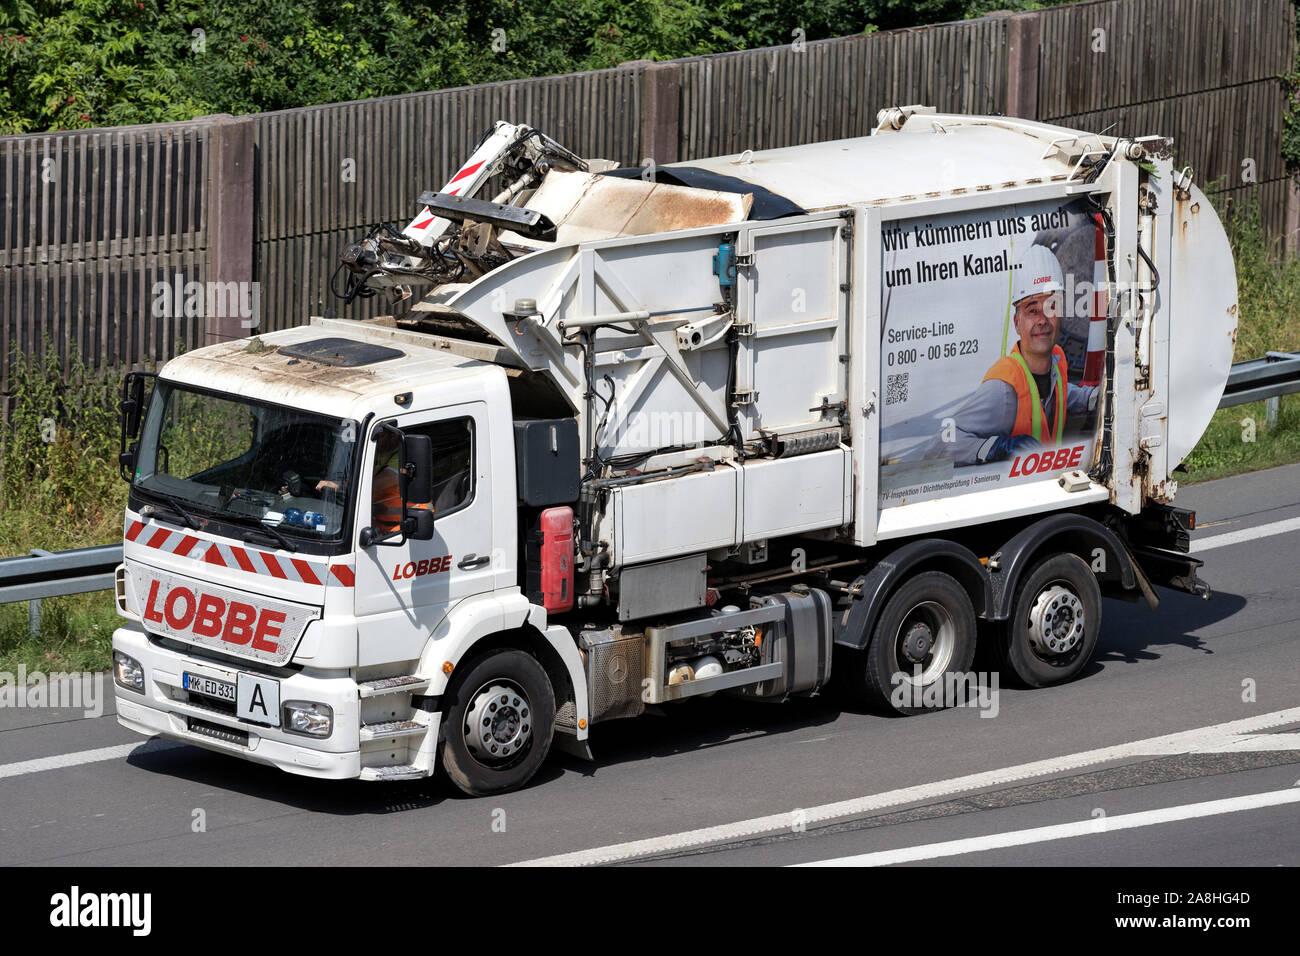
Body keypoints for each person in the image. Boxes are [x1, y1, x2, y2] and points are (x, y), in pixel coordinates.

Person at [931, 244, 1098, 466]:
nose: (1042, 320)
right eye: (1032, 310)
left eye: (1051, 306)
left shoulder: (1056, 364)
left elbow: (1057, 394)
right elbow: (940, 445)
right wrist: (997, 448)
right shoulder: (1003, 390)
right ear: (1017, 323)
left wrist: (1094, 398)